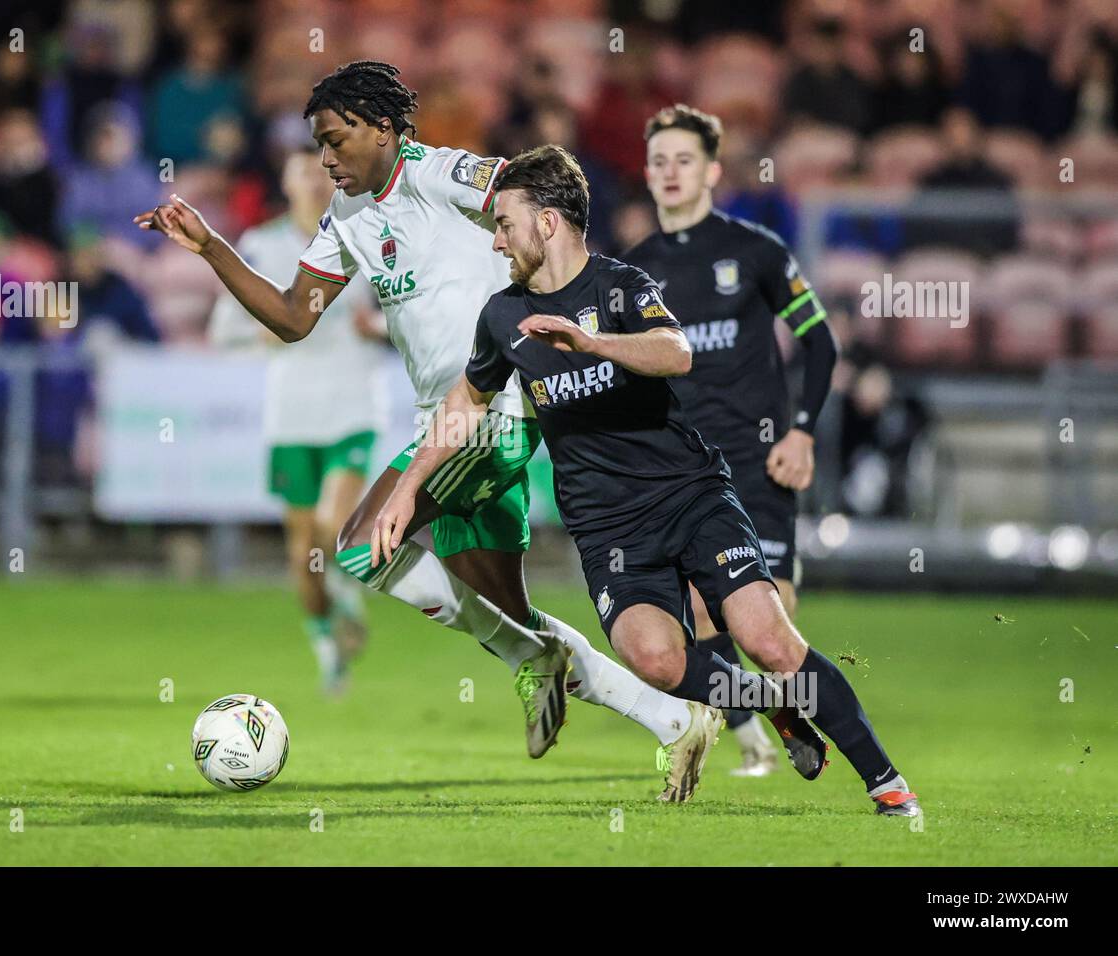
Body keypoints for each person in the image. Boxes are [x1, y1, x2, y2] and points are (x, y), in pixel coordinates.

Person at [137, 61, 723, 802]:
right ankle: (674, 722)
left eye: (336, 140)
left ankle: (539, 662)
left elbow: (546, 211)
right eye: (317, 145)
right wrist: (212, 246)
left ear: (383, 129)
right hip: (441, 422)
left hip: (495, 408)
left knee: (358, 544)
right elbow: (292, 317)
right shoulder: (347, 217)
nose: (325, 160)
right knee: (509, 615)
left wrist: (568, 322)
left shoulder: (446, 175)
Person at [372, 145, 920, 817]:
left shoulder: (620, 287)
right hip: (607, 527)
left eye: (506, 224)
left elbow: (676, 352)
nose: (498, 239)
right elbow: (463, 406)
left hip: (689, 495)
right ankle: (773, 703)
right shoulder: (503, 316)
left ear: (548, 223)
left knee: (769, 641)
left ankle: (889, 785)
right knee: (656, 661)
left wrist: (596, 343)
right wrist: (405, 493)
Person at [622, 104, 839, 776]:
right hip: (685, 470)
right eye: (659, 161)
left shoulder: (756, 252)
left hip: (760, 457)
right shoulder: (632, 272)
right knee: (700, 612)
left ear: (713, 169)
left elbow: (820, 343)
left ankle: (777, 714)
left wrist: (802, 432)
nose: (670, 173)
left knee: (771, 622)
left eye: (684, 160)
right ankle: (749, 732)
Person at [208, 145, 387, 695]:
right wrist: (261, 331)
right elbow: (223, 329)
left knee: (336, 526)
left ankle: (347, 590)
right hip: (291, 416)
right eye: (302, 171)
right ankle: (325, 642)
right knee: (301, 550)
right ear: (284, 183)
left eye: (320, 170)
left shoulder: (362, 233)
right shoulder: (261, 245)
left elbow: (400, 308)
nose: (313, 179)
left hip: (352, 405)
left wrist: (375, 328)